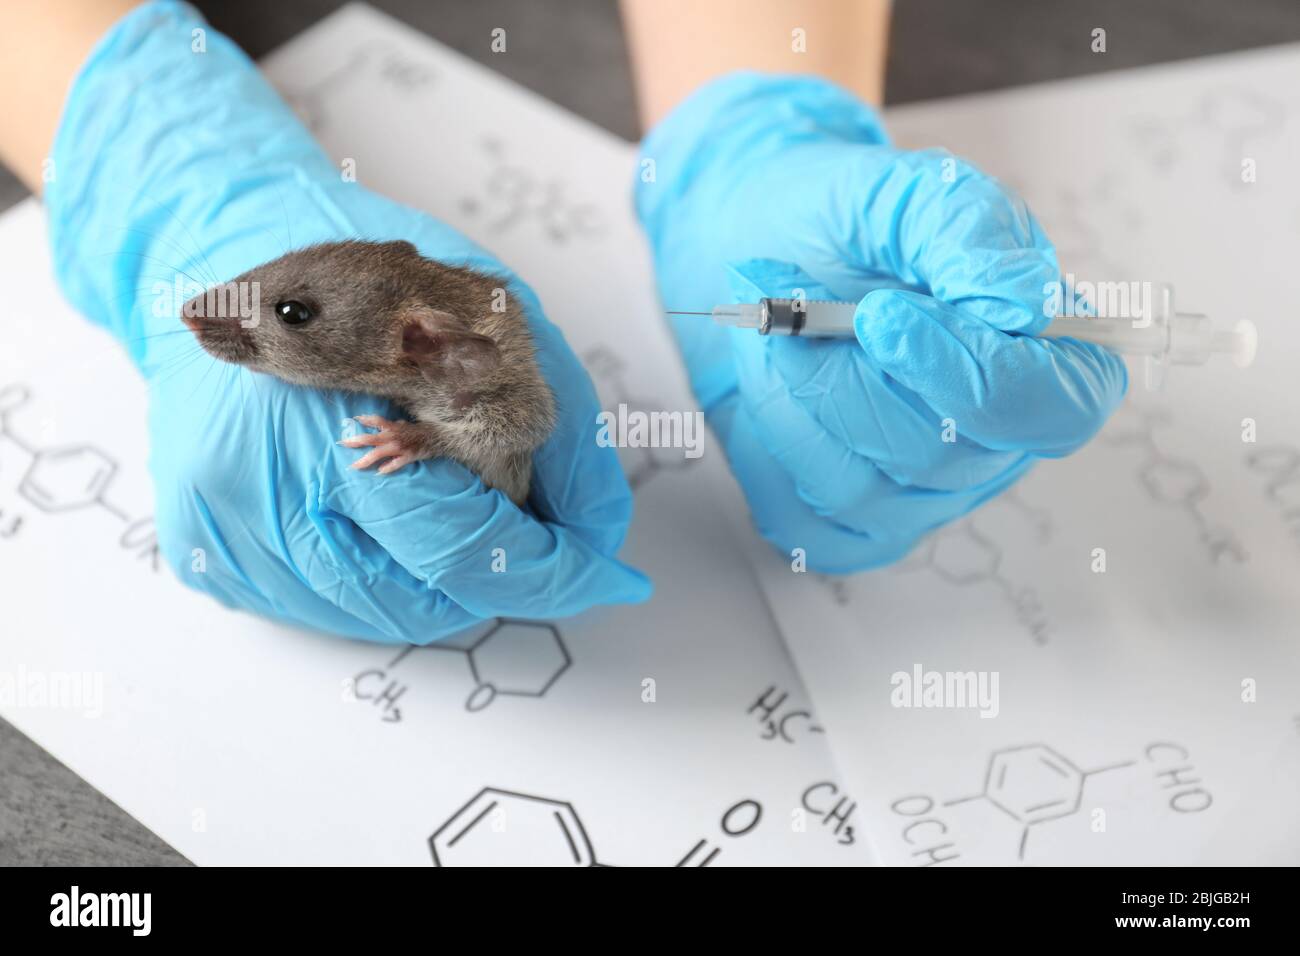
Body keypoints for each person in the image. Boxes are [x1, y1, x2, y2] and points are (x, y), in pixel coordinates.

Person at [0, 0, 1124, 642]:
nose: (219, 318)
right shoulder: (382, 330)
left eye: (282, 308)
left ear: (422, 346)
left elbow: (507, 421)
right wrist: (167, 171)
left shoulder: (452, 362)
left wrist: (751, 111)